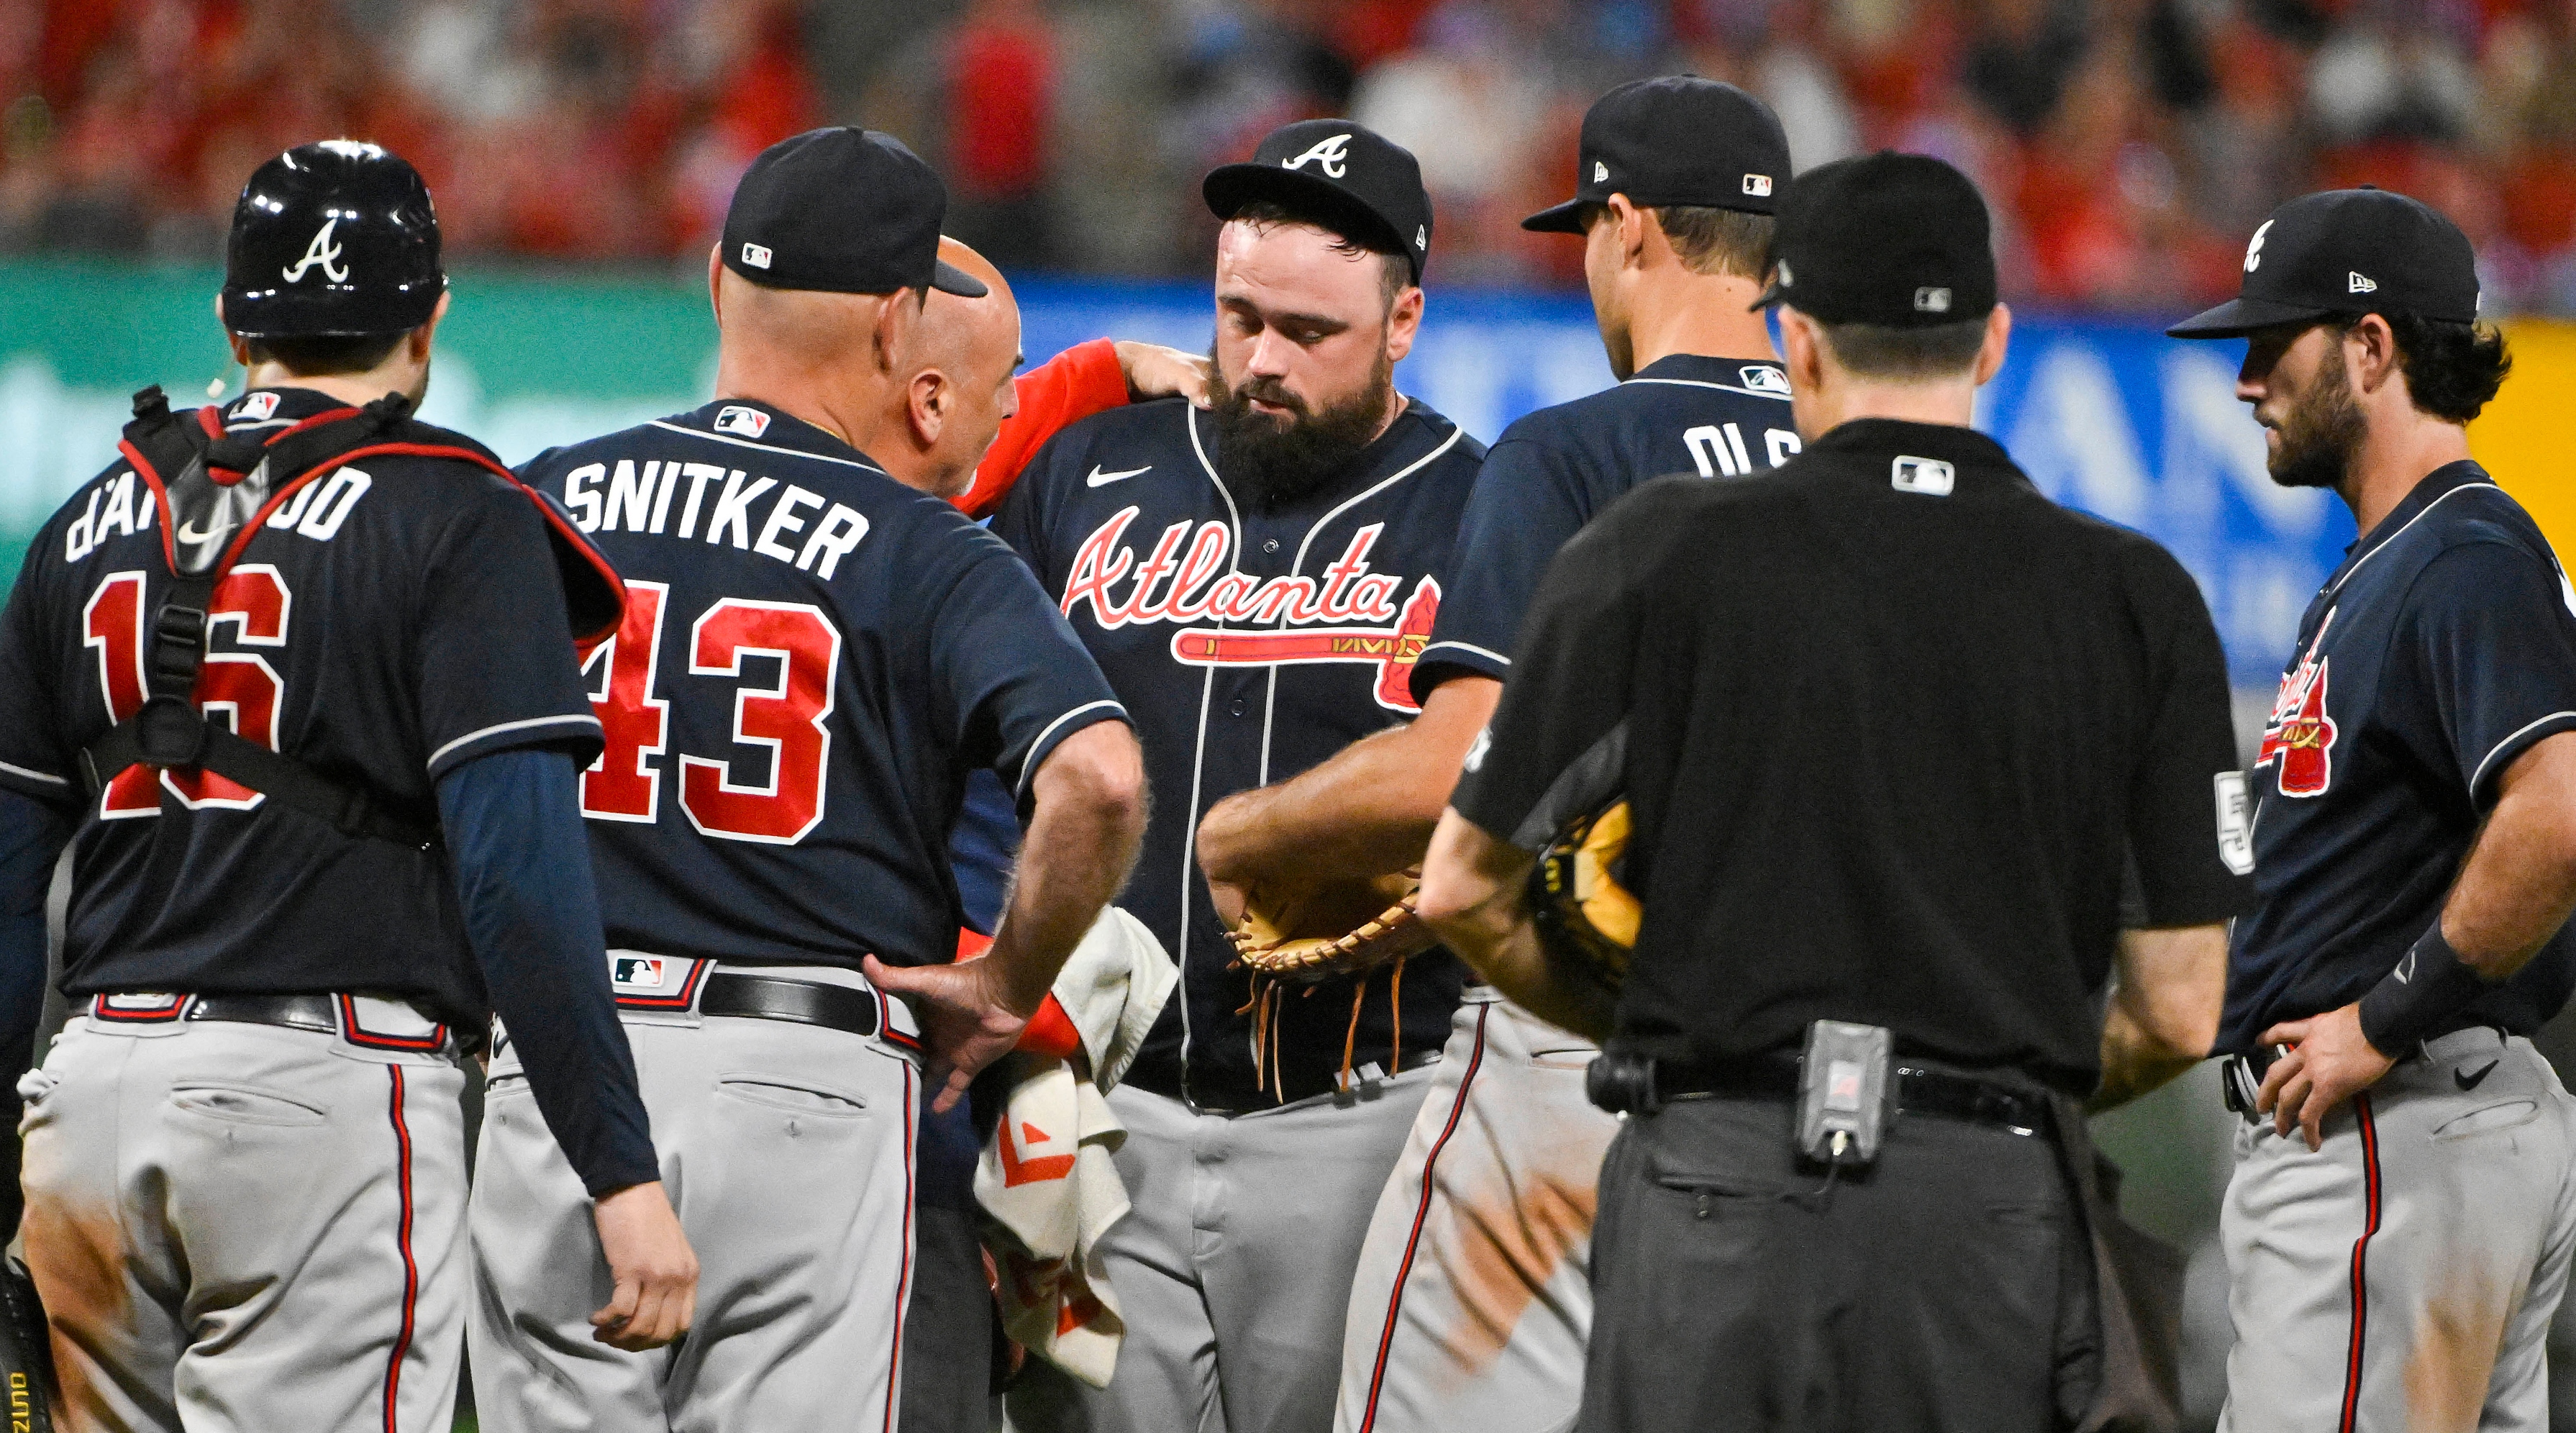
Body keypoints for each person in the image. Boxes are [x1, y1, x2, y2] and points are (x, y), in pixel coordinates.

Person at [1418, 152, 2247, 1432]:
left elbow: (1460, 888)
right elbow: (2183, 1011)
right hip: (1986, 1199)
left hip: (1715, 1177)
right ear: (1993, 345)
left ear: (1793, 340)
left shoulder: (1656, 549)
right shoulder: (2136, 599)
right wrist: (2001, 1080)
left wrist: (1641, 1024)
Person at [0, 140, 696, 1433]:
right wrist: (617, 1166)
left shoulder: (83, 522)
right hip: (320, 1105)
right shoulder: (459, 511)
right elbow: (517, 878)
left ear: (230, 316)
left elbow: (3, 884)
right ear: (427, 324)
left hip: (89, 1099)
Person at [465, 129, 1148, 1432]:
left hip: (564, 1070)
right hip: (804, 1076)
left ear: (719, 282)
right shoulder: (926, 548)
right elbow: (1101, 782)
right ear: (898, 328)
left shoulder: (541, 495)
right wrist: (1006, 986)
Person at [1187, 76, 1800, 1433]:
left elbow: (1460, 763)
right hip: (1834, 1087)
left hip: (1589, 1047)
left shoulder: (1578, 449)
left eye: (1588, 229)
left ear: (1627, 228)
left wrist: (1241, 836)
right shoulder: (1873, 462)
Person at [991, 119, 1485, 1433]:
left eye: (1309, 332)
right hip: (1095, 1112)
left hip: (1362, 1121)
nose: (1261, 361)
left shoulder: (1480, 507)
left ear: (1403, 320)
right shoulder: (1094, 470)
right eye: (1238, 316)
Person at [2167, 188, 2576, 1432]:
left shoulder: (2460, 552)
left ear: (2369, 346)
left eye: (2269, 340)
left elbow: (2558, 812)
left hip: (2394, 1133)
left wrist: (2379, 1024)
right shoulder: (2399, 562)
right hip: (2417, 1136)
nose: (2244, 380)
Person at [891, 237, 1209, 1433]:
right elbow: (1097, 785)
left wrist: (1108, 365)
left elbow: (1038, 398)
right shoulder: (936, 559)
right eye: (997, 379)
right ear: (921, 393)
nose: (1014, 403)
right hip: (917, 1024)